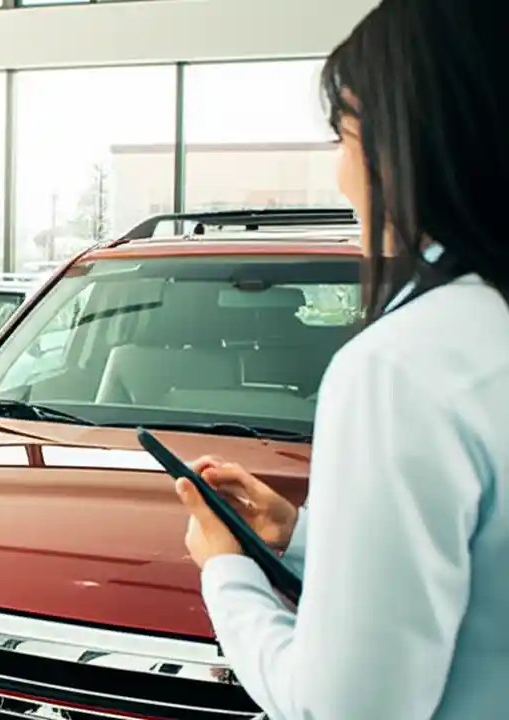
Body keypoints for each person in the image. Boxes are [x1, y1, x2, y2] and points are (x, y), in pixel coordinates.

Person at [173, 2, 509, 718]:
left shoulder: (405, 366)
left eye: (343, 133)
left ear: (414, 137)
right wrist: (299, 536)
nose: (341, 171)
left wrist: (229, 572)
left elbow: (344, 710)